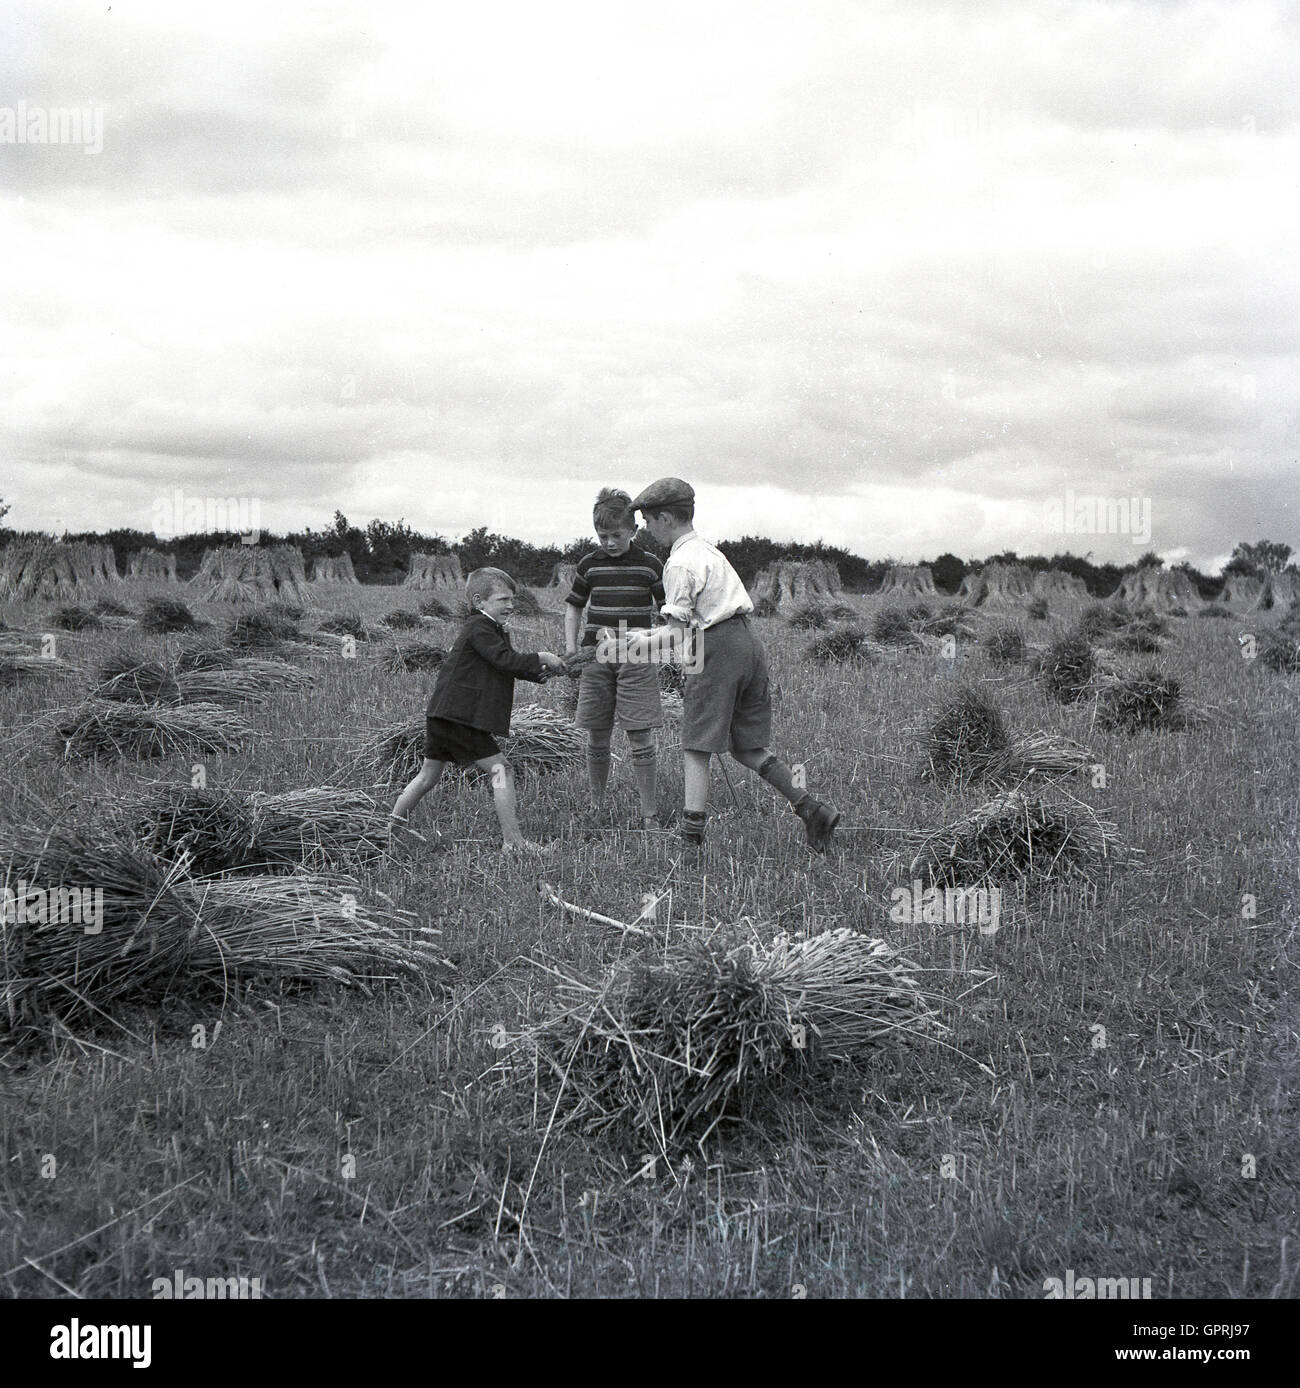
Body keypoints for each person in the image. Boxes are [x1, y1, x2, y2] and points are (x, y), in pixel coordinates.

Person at [624, 477, 840, 855]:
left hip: (717, 649)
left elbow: (675, 634)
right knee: (747, 746)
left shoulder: (678, 563)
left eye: (646, 519)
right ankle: (811, 808)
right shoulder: (710, 551)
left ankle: (690, 842)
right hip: (748, 645)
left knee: (695, 746)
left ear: (664, 519)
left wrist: (641, 642)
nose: (644, 527)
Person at [391, 566, 566, 853]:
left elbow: (501, 665)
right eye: (502, 599)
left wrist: (539, 673)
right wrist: (542, 657)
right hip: (461, 717)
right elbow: (504, 659)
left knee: (426, 778)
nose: (511, 605)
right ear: (478, 601)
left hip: (443, 714)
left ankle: (387, 833)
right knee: (502, 770)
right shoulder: (479, 628)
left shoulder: (490, 628)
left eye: (512, 599)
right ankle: (514, 843)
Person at [563, 487, 666, 829]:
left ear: (634, 530)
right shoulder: (589, 565)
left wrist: (660, 639)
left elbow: (669, 610)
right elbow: (574, 606)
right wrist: (571, 648)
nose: (609, 542)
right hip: (596, 656)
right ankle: (596, 805)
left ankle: (649, 813)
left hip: (637, 655)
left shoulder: (650, 565)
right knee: (596, 732)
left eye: (616, 535)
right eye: (602, 535)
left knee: (639, 734)